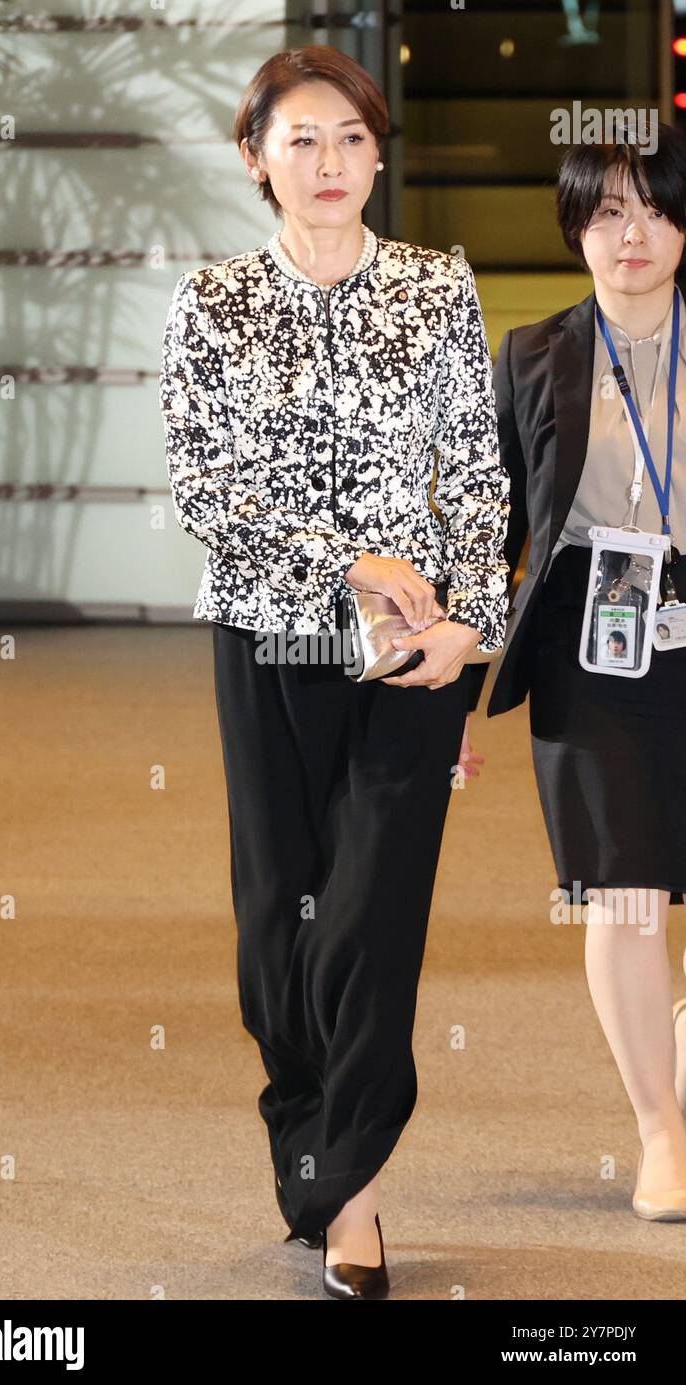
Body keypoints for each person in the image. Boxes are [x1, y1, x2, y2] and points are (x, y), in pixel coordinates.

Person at [158, 43, 509, 1298]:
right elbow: (206, 486)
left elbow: (475, 472)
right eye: (301, 139)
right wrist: (346, 557)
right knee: (278, 930)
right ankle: (307, 1137)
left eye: (352, 138)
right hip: (266, 642)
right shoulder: (214, 299)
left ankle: (352, 1193)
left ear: (379, 153)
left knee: (368, 922)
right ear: (255, 157)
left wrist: (474, 620)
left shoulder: (435, 286)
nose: (330, 163)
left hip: (409, 663)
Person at [473, 125, 686, 1221]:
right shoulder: (532, 354)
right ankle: (662, 1132)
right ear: (574, 228)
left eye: (652, 206)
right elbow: (497, 528)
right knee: (626, 892)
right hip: (593, 645)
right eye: (604, 212)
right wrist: (465, 687)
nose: (631, 233)